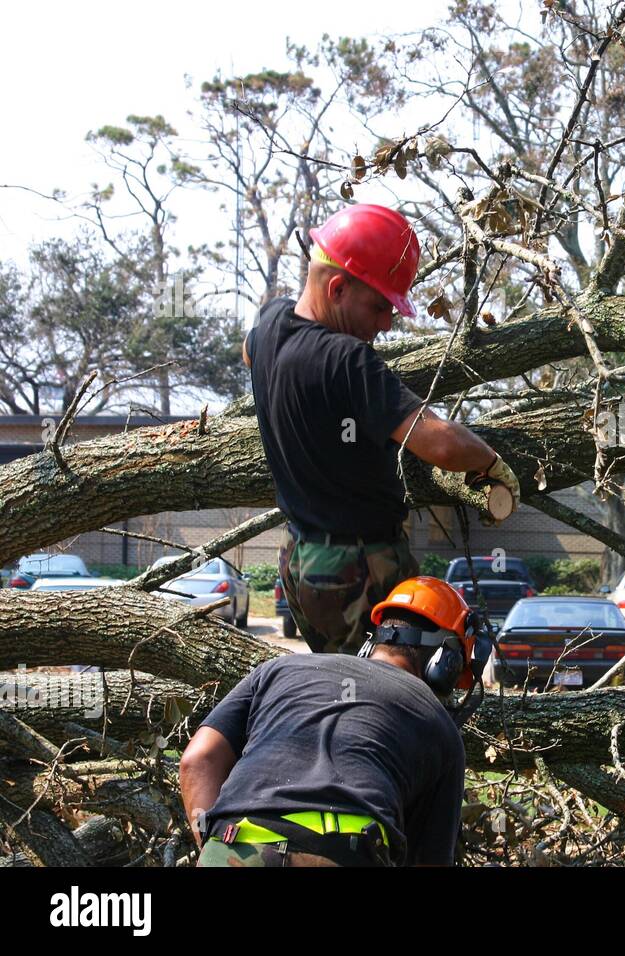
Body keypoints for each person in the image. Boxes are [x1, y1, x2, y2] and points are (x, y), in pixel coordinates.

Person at [243, 203, 520, 654]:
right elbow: (440, 443)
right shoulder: (345, 358)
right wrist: (492, 463)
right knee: (393, 696)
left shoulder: (272, 323)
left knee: (341, 684)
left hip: (301, 560)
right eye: (377, 307)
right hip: (358, 568)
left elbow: (248, 352)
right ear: (336, 288)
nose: (385, 323)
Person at [180, 577, 474, 867]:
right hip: (344, 851)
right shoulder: (438, 722)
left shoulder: (277, 669)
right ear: (446, 663)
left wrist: (214, 849)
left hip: (234, 843)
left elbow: (197, 759)